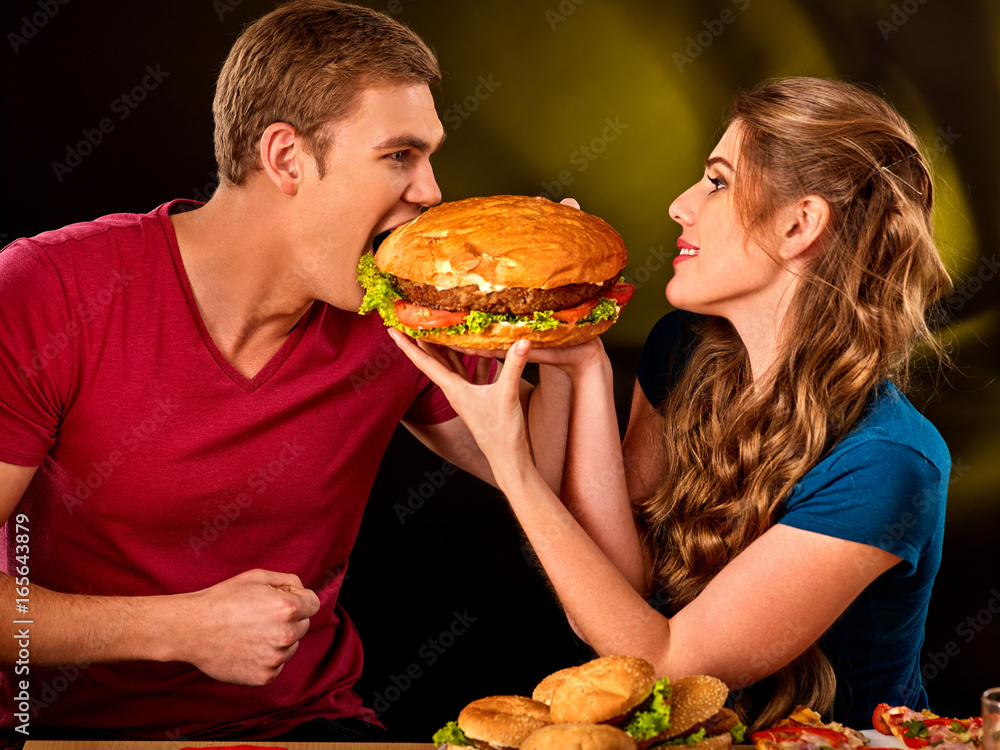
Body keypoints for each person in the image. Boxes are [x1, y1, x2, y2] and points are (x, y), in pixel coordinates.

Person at [0, 1, 572, 743]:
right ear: (286, 158)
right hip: (50, 731)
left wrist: (557, 327)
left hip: (302, 724)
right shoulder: (50, 289)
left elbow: (541, 474)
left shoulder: (393, 311)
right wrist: (176, 627)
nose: (430, 191)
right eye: (399, 155)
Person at [391, 76, 952, 731]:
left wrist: (510, 462)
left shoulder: (889, 465)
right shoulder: (681, 348)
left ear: (801, 223)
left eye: (716, 182)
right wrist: (581, 361)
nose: (680, 206)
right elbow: (616, 581)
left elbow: (664, 666)